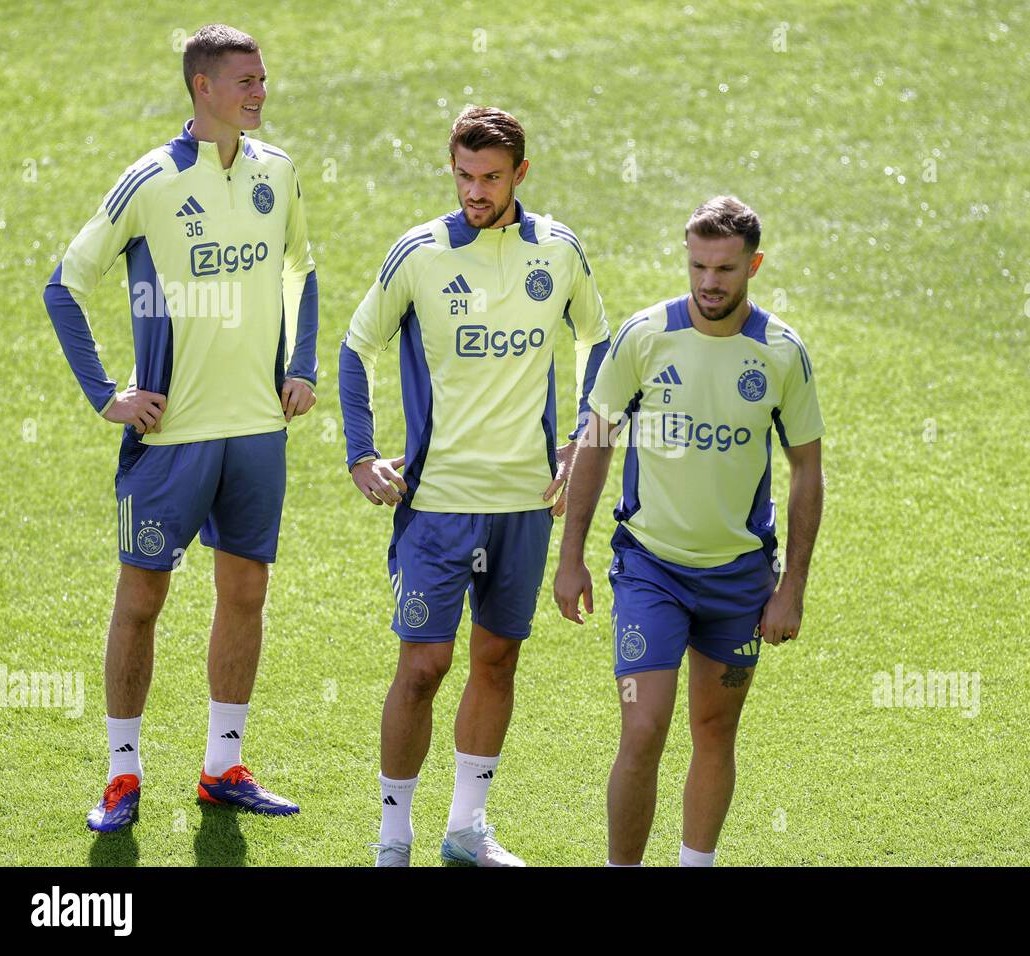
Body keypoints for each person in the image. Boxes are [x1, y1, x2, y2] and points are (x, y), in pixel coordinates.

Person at [42, 23, 318, 832]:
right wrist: (106, 396)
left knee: (246, 593)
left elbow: (301, 267)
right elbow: (67, 284)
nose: (261, 92)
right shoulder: (152, 182)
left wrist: (299, 364)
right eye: (247, 81)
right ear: (203, 88)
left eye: (263, 79)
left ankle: (222, 765)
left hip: (258, 431)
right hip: (173, 437)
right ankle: (122, 775)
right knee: (141, 601)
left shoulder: (279, 172)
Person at [339, 106, 610, 867]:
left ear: (520, 174)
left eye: (490, 178)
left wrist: (583, 438)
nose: (475, 191)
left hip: (525, 504)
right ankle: (394, 838)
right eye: (463, 175)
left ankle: (467, 828)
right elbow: (357, 345)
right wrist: (361, 454)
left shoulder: (557, 252)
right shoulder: (420, 254)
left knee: (497, 661)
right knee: (422, 668)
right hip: (437, 507)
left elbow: (600, 338)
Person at [554, 196, 824, 866]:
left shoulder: (781, 353)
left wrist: (792, 586)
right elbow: (595, 442)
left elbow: (806, 470)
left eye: (726, 268)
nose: (709, 281)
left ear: (753, 265)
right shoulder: (645, 338)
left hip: (738, 581)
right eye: (699, 265)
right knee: (642, 729)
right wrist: (570, 558)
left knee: (714, 730)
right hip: (652, 571)